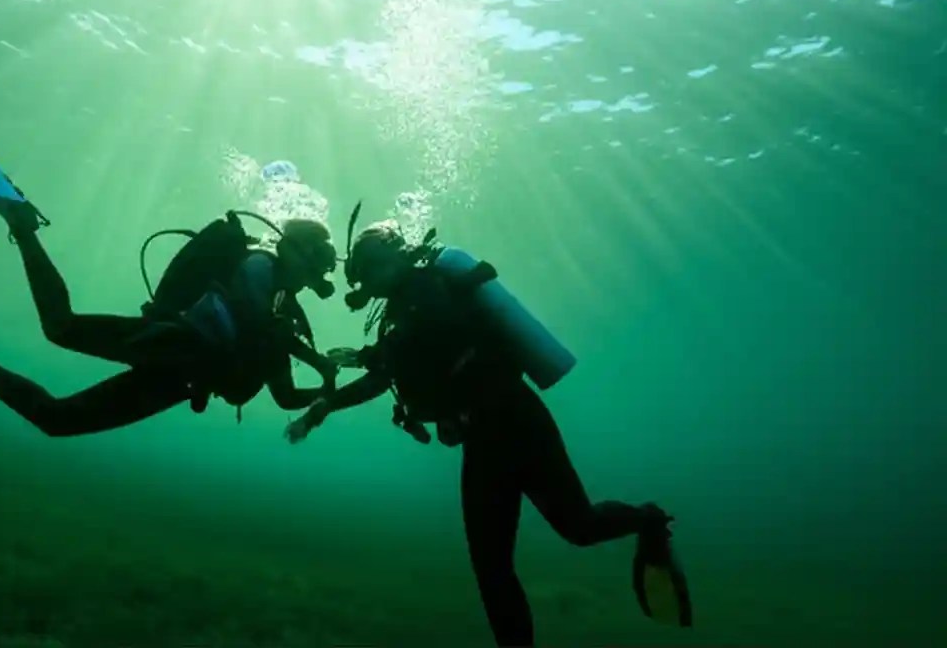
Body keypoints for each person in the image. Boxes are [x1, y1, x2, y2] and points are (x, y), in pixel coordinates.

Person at [284, 205, 692, 647]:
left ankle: (648, 520)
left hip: (512, 419)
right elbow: (387, 376)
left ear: (392, 258)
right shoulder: (404, 310)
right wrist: (325, 406)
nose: (365, 281)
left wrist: (375, 357)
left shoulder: (426, 288)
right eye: (361, 273)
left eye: (368, 269)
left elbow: (432, 333)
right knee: (506, 561)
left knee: (572, 530)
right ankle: (645, 520)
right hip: (487, 435)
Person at [0, 118, 340, 435]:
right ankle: (24, 228)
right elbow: (256, 330)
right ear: (294, 250)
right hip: (171, 346)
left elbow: (281, 394)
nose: (323, 270)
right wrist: (317, 362)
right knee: (60, 328)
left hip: (180, 377)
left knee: (56, 419)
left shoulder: (285, 307)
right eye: (320, 257)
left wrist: (325, 398)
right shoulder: (260, 268)